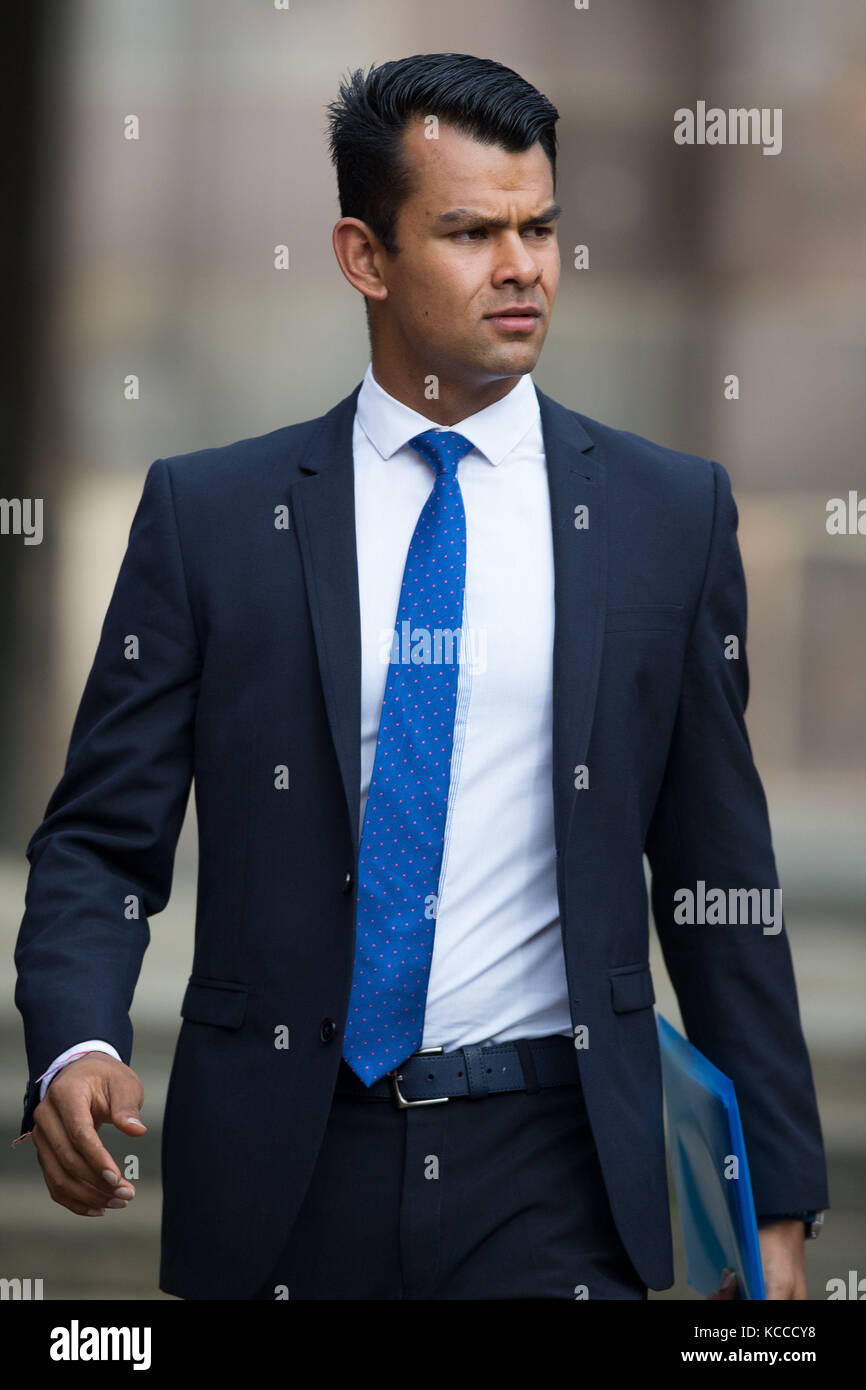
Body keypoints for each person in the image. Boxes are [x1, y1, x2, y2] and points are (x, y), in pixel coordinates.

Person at [14, 52, 828, 1301]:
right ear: (363, 256)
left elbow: (720, 871)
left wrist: (769, 1190)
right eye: (469, 231)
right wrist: (76, 1040)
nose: (522, 265)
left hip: (555, 1165)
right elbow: (101, 844)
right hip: (285, 1160)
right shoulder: (212, 517)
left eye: (541, 227)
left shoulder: (666, 515)